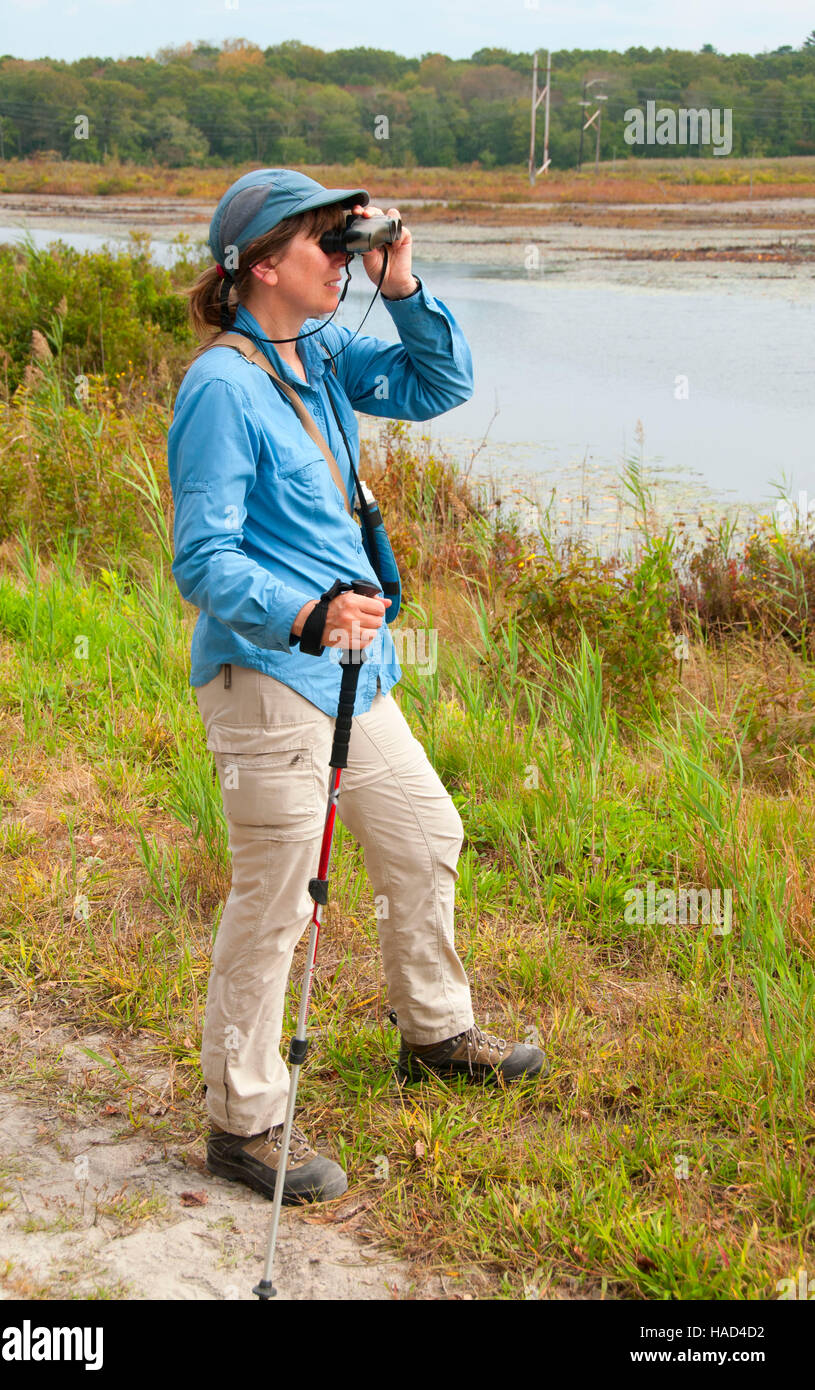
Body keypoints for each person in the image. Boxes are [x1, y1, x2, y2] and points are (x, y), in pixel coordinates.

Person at [167, 168, 547, 1206]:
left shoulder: (318, 347)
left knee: (425, 834)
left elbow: (437, 388)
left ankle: (431, 1035)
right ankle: (242, 1122)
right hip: (269, 670)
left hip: (349, 671)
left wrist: (405, 280)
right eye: (324, 245)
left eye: (346, 243)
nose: (340, 258)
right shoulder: (222, 388)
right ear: (258, 265)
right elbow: (202, 558)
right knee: (275, 898)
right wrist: (305, 610)